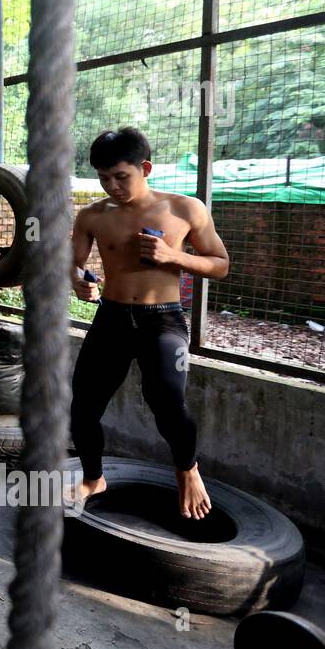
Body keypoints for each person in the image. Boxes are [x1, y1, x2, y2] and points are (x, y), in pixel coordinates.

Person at [69, 127, 230, 520]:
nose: (112, 186)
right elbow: (72, 263)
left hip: (163, 321)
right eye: (103, 178)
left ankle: (187, 470)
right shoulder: (92, 215)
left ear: (146, 168)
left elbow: (220, 264)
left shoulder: (184, 209)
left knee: (166, 401)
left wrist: (173, 256)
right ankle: (93, 478)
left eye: (121, 176)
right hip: (111, 317)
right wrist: (76, 280)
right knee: (83, 408)